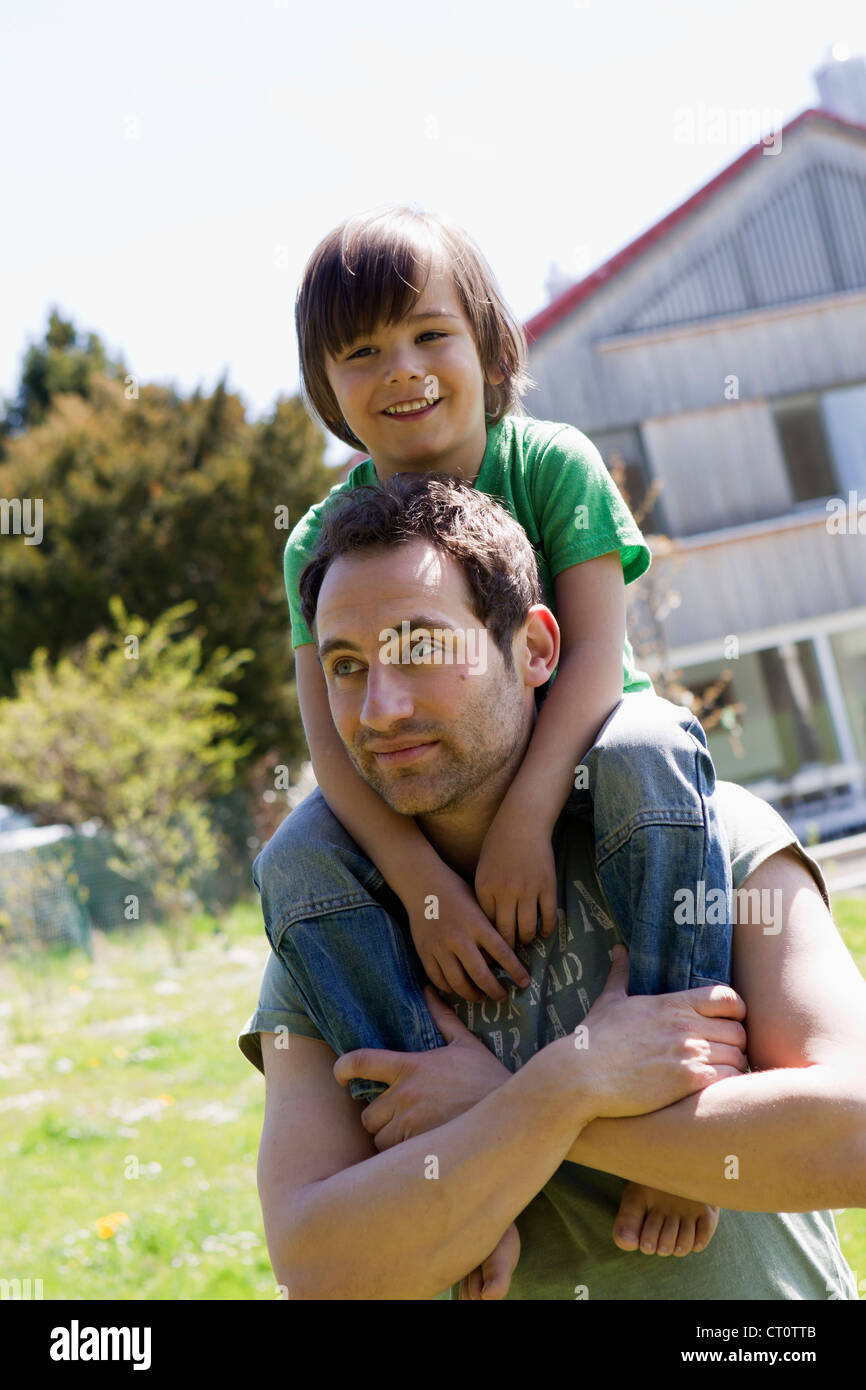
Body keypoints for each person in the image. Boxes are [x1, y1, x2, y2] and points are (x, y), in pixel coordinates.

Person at [238, 472, 866, 1301]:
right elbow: (322, 1269)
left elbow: (853, 1135)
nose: (379, 709)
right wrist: (569, 1084)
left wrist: (504, 1108)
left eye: (420, 647)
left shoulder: (703, 832)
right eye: (345, 666)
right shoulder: (332, 915)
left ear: (535, 648)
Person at [277, 203, 735, 1256]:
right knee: (295, 854)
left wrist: (529, 814)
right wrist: (422, 884)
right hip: (436, 812)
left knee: (649, 745)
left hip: (588, 767)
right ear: (327, 387)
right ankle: (431, 1152)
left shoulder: (551, 463)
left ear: (487, 343)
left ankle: (678, 1087)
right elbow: (334, 743)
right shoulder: (318, 537)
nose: (402, 369)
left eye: (428, 333)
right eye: (360, 351)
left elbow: (592, 664)